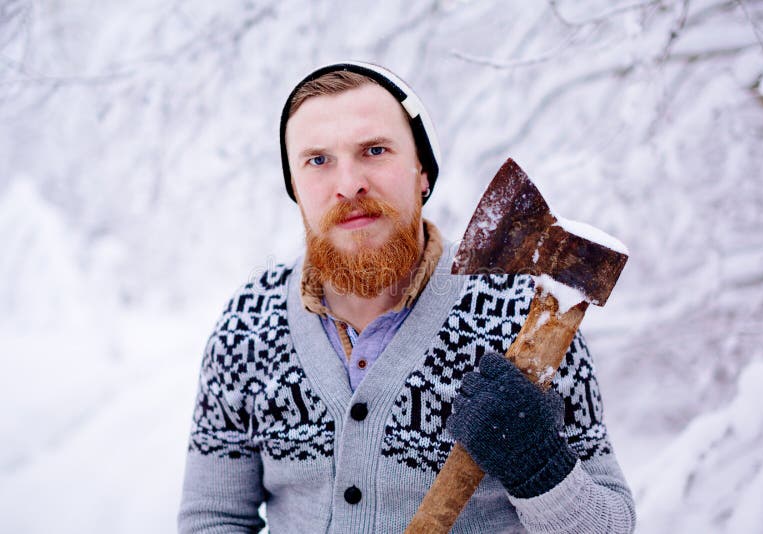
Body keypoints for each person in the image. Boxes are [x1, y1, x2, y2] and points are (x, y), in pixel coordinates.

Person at [178, 61, 636, 533]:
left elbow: (612, 525)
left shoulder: (523, 317)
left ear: (421, 170)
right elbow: (213, 519)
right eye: (318, 160)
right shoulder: (249, 324)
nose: (349, 183)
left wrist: (540, 467)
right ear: (294, 186)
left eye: (374, 150)